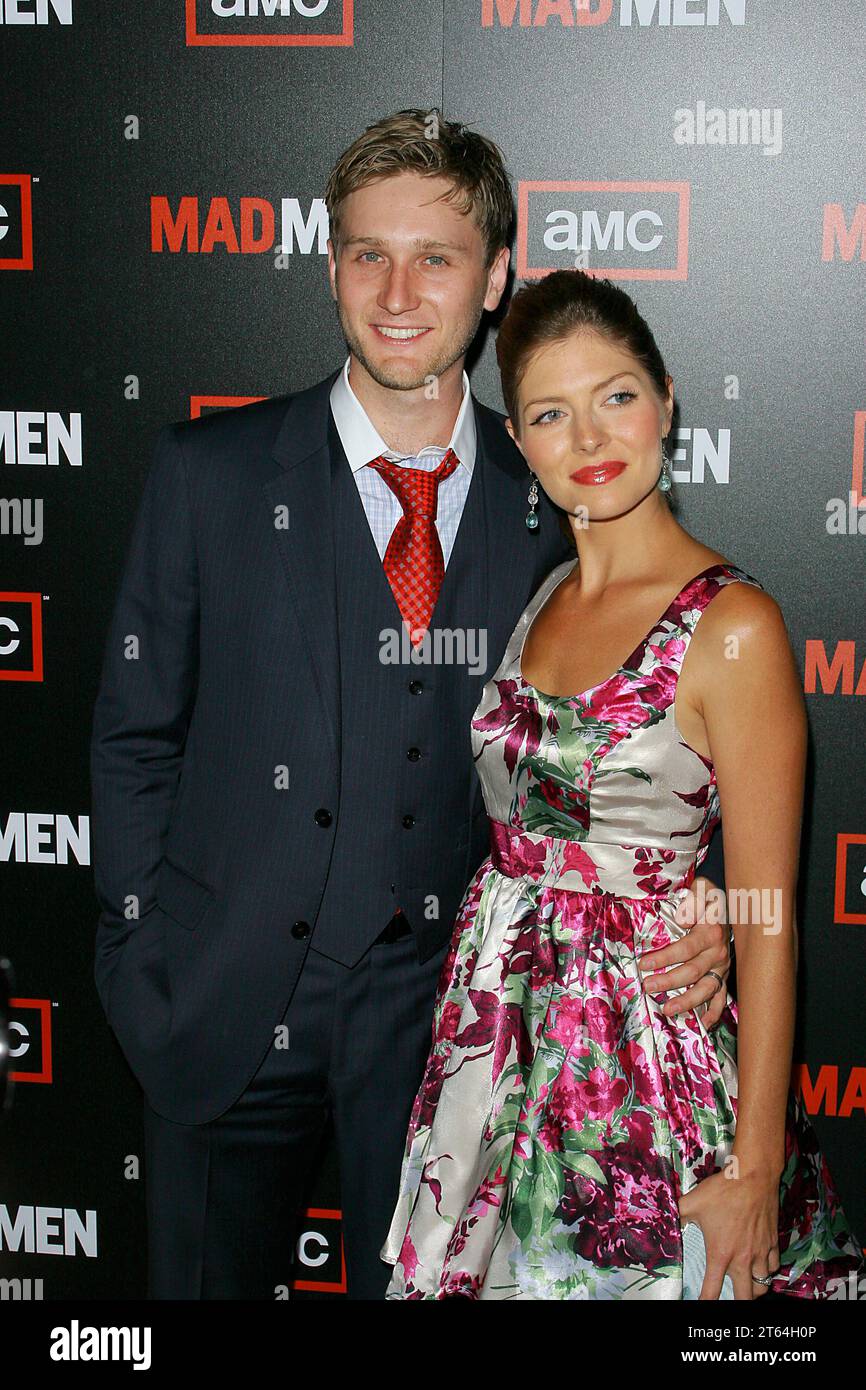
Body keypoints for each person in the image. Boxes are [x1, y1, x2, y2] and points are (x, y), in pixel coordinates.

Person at [90, 111, 732, 1301]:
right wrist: (143, 965)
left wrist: (705, 898)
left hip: (459, 1038)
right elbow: (135, 737)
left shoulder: (553, 495)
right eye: (366, 253)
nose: (396, 291)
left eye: (434, 257)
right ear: (330, 265)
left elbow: (665, 719)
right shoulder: (209, 475)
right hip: (217, 1008)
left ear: (492, 277)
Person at [380, 268, 865, 1301]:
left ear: (666, 400)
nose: (590, 438)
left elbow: (769, 912)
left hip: (637, 1075)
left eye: (616, 395)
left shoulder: (732, 626)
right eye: (551, 413)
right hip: (496, 1055)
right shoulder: (544, 592)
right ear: (519, 442)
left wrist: (752, 1171)